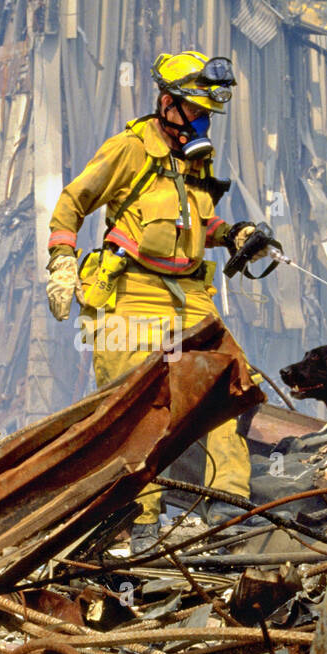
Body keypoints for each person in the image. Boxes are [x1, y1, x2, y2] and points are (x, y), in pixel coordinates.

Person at [44, 50, 271, 551]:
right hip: (130, 290)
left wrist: (233, 234)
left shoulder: (197, 156)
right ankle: (142, 520)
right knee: (138, 403)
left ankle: (228, 505)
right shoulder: (128, 148)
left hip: (187, 291)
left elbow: (195, 223)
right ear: (167, 104)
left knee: (226, 384)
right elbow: (72, 202)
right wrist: (61, 260)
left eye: (208, 113)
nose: (202, 121)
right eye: (194, 110)